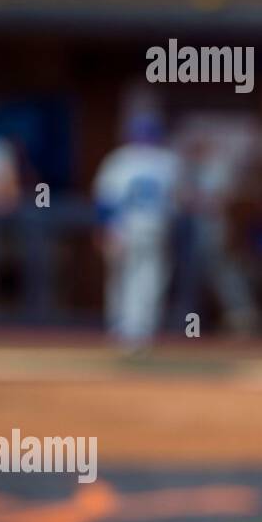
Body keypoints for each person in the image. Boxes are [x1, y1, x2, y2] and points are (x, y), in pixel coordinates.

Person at [93, 111, 181, 350]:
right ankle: (141, 333)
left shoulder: (118, 160)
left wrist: (103, 230)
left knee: (120, 281)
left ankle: (120, 330)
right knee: (148, 280)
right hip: (154, 229)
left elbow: (105, 202)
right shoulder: (168, 161)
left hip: (121, 228)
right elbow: (176, 202)